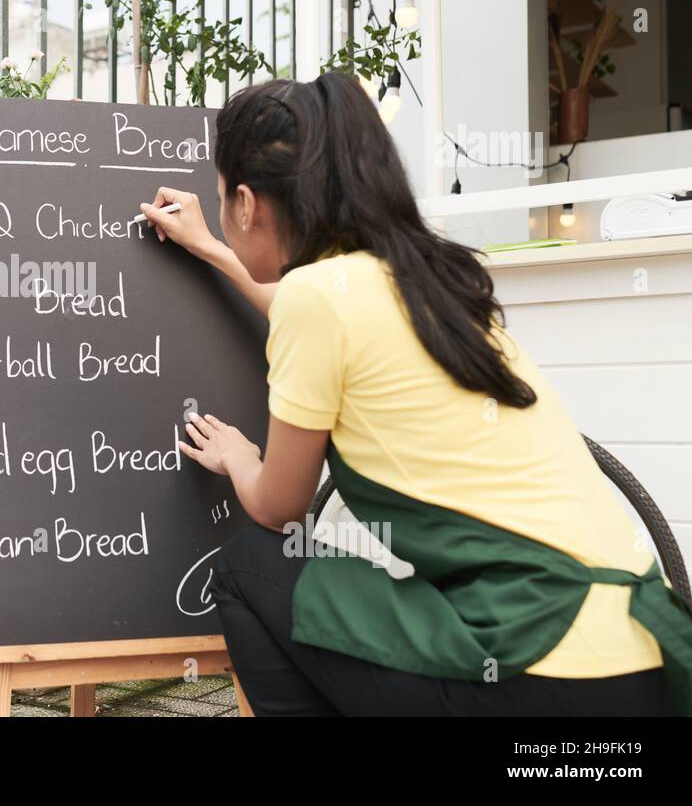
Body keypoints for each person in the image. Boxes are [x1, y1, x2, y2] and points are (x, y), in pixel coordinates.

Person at [137, 71, 691, 716]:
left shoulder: (319, 299)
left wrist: (236, 456)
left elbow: (279, 508)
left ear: (246, 203)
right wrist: (210, 247)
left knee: (247, 566)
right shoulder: (432, 281)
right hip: (640, 661)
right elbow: (306, 307)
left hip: (531, 666)